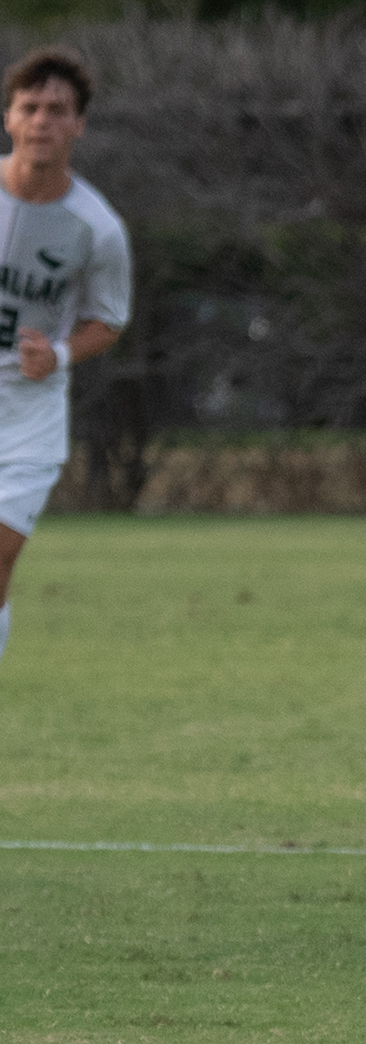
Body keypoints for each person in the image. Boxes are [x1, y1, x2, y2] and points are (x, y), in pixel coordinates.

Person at [0, 47, 131, 668]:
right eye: (31, 107)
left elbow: (109, 319)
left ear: (79, 125)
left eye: (58, 110)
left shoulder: (96, 228)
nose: (42, 120)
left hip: (27, 418)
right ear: (9, 119)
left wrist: (56, 354)